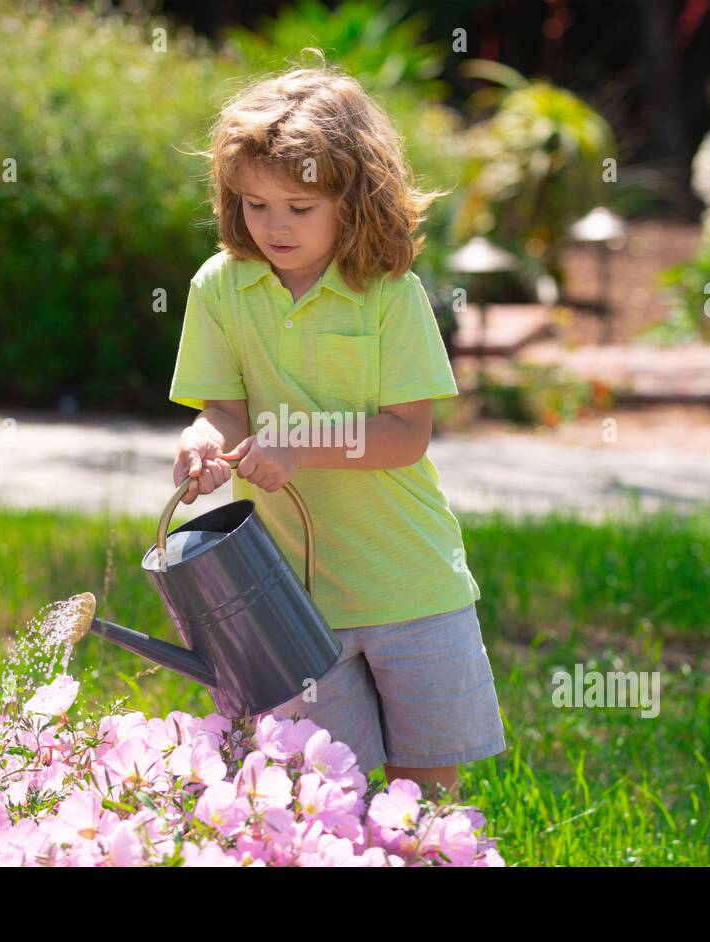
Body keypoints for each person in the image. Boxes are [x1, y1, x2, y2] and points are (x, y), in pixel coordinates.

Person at [168, 53, 505, 802]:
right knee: (328, 800)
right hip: (292, 599)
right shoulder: (221, 286)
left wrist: (302, 443)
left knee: (423, 800)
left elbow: (405, 434)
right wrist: (202, 437)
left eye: (299, 207)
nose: (274, 226)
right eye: (255, 205)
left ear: (354, 200)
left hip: (412, 586)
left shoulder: (389, 294)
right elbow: (224, 410)